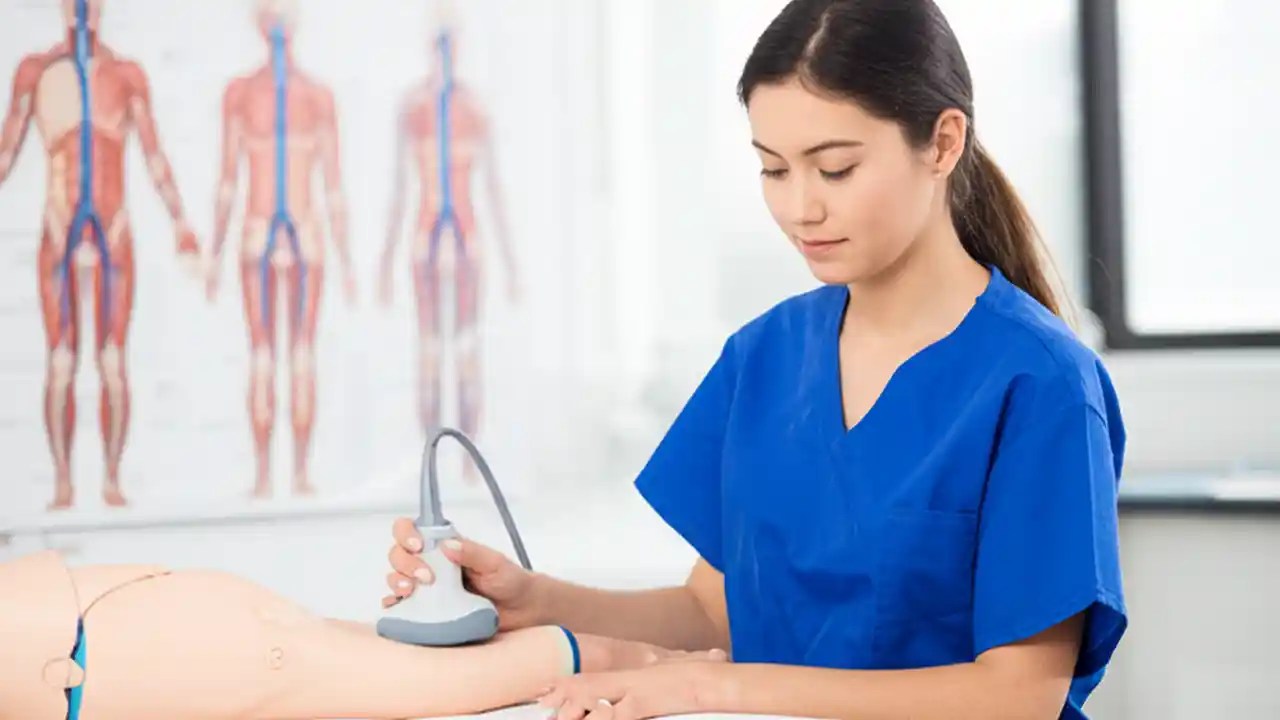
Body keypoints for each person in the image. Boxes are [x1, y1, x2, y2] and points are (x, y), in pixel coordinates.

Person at [387, 0, 1127, 718]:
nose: (801, 208)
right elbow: (714, 614)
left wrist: (711, 689)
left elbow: (1016, 698)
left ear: (942, 143)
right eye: (774, 170)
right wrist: (536, 601)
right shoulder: (764, 358)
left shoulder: (1040, 382)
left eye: (835, 169)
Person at [0, 549, 724, 720]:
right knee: (426, 668)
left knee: (447, 676)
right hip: (121, 639)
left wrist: (690, 676)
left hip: (125, 651)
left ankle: (665, 665)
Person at [0, 0, 201, 511]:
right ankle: (63, 483)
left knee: (112, 360)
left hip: (114, 228)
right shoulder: (36, 71)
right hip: (58, 224)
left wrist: (181, 223)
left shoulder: (126, 74)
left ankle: (111, 478)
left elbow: (153, 155)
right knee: (61, 360)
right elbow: (7, 151)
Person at [206, 0, 357, 499]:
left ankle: (290, 474)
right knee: (270, 356)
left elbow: (332, 186)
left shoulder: (314, 96)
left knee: (292, 355)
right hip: (269, 231)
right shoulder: (245, 94)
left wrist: (348, 260)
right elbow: (228, 180)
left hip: (296, 233)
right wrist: (213, 254)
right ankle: (270, 475)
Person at [379, 1, 521, 484]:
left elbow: (493, 188)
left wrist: (512, 265)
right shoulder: (421, 108)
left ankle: (460, 464)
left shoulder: (468, 108)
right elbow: (401, 187)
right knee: (436, 349)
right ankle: (439, 465)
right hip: (436, 233)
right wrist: (383, 263)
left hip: (458, 236)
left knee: (461, 349)